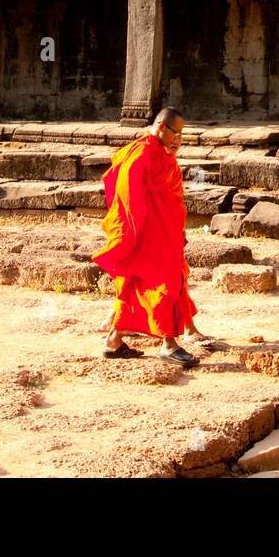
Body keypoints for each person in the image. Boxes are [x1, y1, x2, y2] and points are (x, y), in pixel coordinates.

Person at [92, 107, 208, 367]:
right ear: (160, 128)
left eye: (181, 135)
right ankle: (168, 344)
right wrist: (135, 235)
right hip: (148, 233)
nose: (179, 139)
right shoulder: (145, 155)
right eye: (175, 133)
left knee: (138, 285)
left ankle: (114, 340)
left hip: (160, 230)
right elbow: (128, 194)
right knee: (164, 283)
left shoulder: (152, 151)